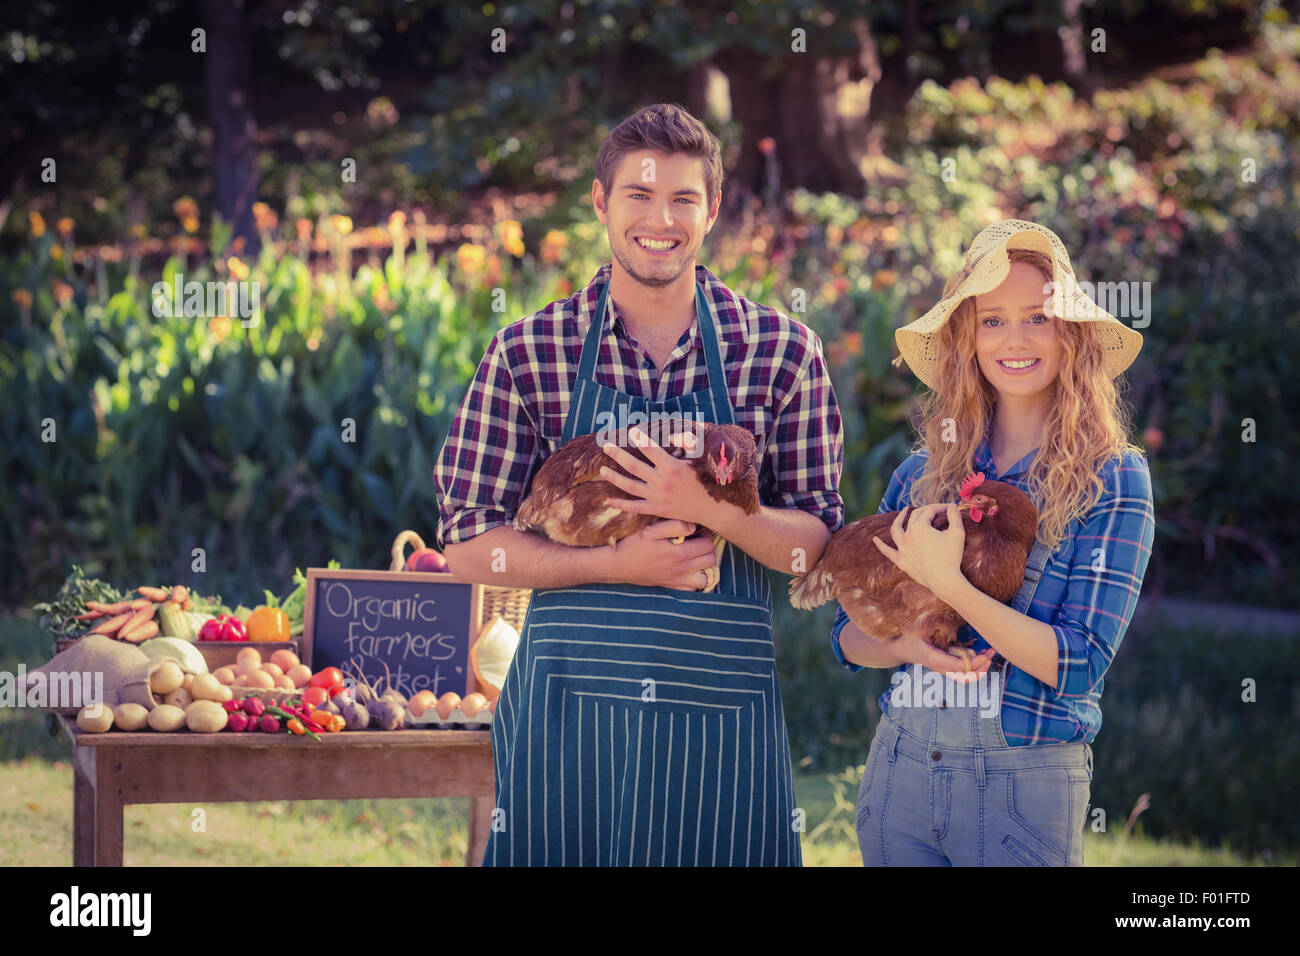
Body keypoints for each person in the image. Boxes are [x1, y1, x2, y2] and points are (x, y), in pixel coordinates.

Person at [434, 103, 844, 866]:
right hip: (567, 718)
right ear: (600, 202)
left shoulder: (781, 352)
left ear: (713, 211)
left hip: (721, 723)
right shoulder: (528, 353)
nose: (662, 220)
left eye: (684, 199)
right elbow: (465, 546)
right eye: (639, 196)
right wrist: (610, 565)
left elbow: (813, 550)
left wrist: (705, 510)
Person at [831, 219, 1155, 866]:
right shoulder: (922, 475)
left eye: (1038, 318)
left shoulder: (1111, 480)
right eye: (992, 320)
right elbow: (845, 636)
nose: (1015, 339)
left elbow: (1079, 665)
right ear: (967, 340)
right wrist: (903, 644)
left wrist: (950, 587)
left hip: (1021, 786)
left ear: (1072, 335)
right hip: (903, 768)